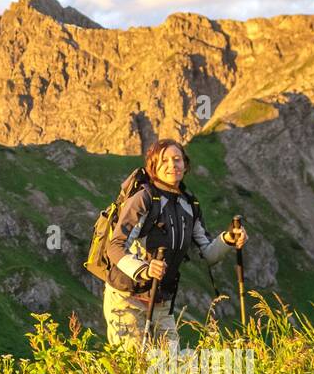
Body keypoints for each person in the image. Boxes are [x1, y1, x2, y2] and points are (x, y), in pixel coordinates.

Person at [104, 139, 248, 349]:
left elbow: (208, 254)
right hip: (127, 298)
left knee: (169, 370)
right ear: (153, 167)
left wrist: (228, 240)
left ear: (185, 164)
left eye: (177, 159)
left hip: (162, 302)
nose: (172, 165)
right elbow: (115, 246)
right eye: (165, 161)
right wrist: (145, 269)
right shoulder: (143, 199)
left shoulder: (190, 204)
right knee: (134, 368)